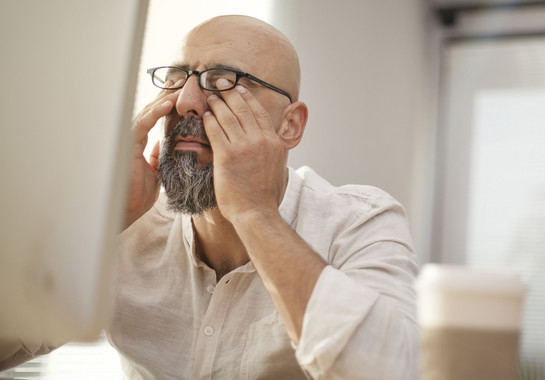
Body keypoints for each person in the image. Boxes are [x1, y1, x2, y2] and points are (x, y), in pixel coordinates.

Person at [1, 15, 419, 379]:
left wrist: (254, 213)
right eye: (177, 80)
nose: (185, 102)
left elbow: (394, 371)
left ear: (289, 125)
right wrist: (103, 223)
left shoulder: (360, 221)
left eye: (224, 82)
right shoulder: (131, 220)